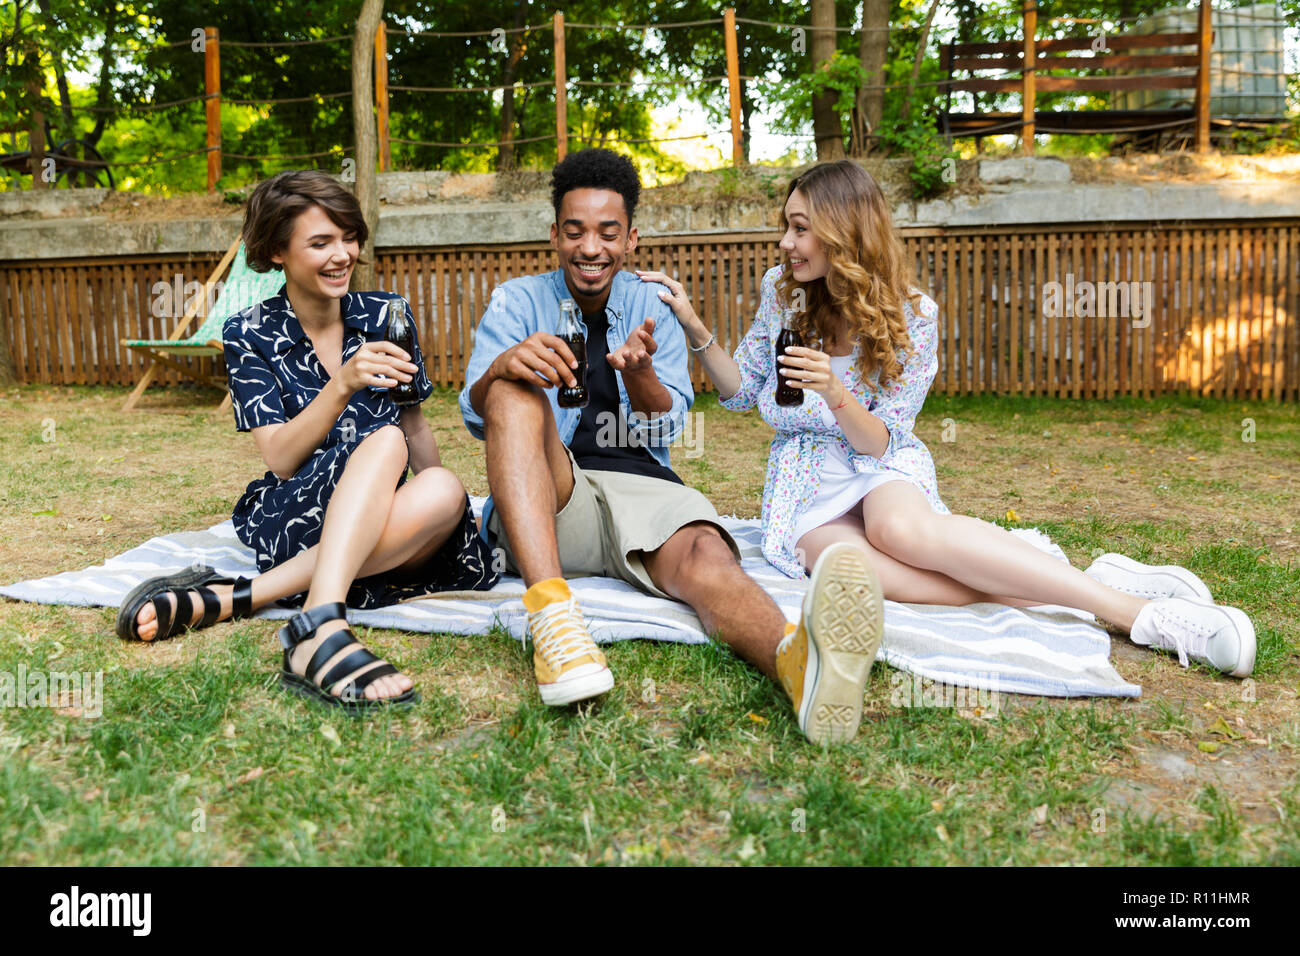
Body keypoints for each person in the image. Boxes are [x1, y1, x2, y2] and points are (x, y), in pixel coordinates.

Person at [639, 159, 1256, 679]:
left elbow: (881, 441)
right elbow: (743, 391)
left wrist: (834, 391)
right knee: (855, 572)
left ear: (842, 231)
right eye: (786, 227)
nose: (785, 243)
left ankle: (1141, 617)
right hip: (804, 484)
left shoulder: (913, 313)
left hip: (876, 461)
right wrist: (695, 327)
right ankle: (1082, 582)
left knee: (902, 535)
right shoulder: (784, 291)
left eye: (800, 229)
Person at [460, 148, 884, 745]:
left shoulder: (650, 303)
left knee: (708, 556)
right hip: (551, 497)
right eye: (575, 231)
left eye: (608, 233)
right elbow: (477, 418)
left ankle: (801, 668)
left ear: (631, 239)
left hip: (644, 495)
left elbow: (665, 430)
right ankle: (554, 623)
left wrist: (640, 377)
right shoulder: (515, 301)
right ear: (554, 234)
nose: (590, 248)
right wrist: (502, 367)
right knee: (508, 393)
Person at [117, 169, 498, 710]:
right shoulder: (248, 331)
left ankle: (243, 597)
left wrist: (446, 514)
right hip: (299, 510)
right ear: (277, 251)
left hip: (377, 514)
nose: (342, 254)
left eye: (348, 237)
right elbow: (281, 457)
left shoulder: (386, 315)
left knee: (442, 487)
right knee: (385, 440)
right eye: (320, 242)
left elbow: (414, 423)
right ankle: (323, 626)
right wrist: (342, 384)